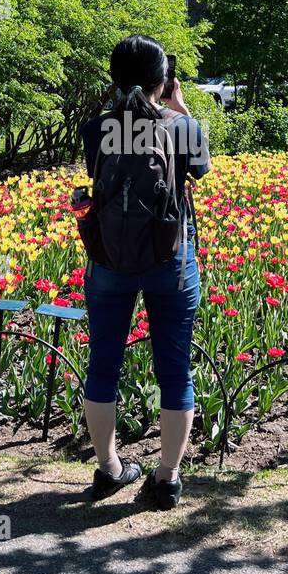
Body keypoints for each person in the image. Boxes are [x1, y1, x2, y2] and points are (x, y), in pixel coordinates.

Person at [77, 35, 210, 510]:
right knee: (174, 370)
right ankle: (167, 479)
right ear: (164, 79)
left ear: (113, 78)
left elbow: (98, 175)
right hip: (169, 259)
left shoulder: (98, 129)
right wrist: (183, 109)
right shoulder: (181, 128)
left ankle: (109, 469)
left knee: (103, 363)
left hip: (108, 259)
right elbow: (200, 171)